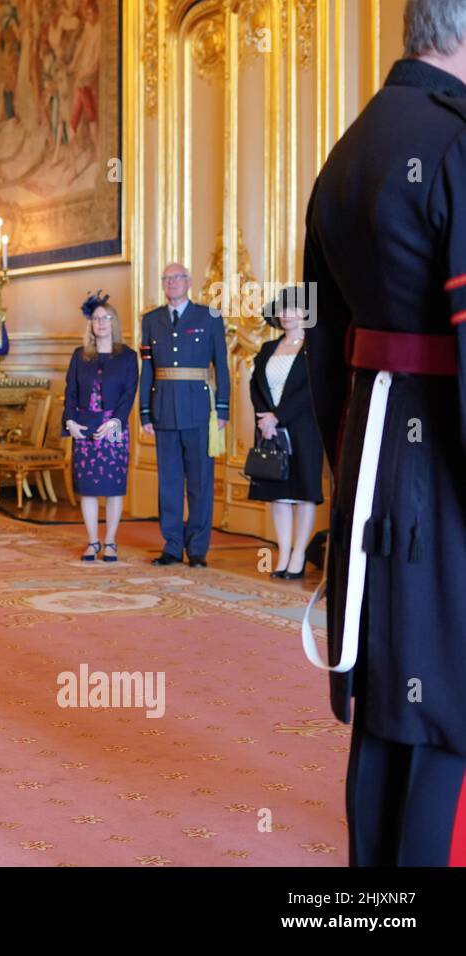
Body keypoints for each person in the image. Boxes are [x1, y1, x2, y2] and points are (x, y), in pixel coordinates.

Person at [303, 0, 466, 867]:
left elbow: (324, 350)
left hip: (370, 445)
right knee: (448, 710)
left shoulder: (345, 151)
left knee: (388, 700)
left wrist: (344, 465)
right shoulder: (456, 141)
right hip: (445, 457)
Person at [139, 262, 229, 567]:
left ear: (189, 281)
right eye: (166, 278)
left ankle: (198, 549)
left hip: (200, 410)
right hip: (163, 409)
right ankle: (173, 545)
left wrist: (223, 409)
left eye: (177, 277)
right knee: (169, 482)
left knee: (201, 482)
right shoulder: (150, 320)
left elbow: (222, 366)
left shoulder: (209, 316)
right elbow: (148, 369)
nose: (171, 283)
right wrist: (145, 412)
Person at [248, 286, 323, 579]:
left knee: (303, 492)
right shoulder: (269, 348)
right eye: (281, 309)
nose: (286, 314)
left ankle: (299, 554)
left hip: (304, 427)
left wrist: (279, 416)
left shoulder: (314, 349)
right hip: (271, 431)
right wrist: (265, 419)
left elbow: (311, 391)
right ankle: (283, 552)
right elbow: (255, 384)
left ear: (305, 312)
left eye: (292, 308)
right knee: (278, 494)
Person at [63, 292, 137, 562]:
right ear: (90, 324)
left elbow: (129, 394)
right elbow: (70, 391)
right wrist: (69, 420)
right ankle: (93, 542)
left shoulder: (127, 356)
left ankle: (111, 542)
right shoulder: (80, 355)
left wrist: (115, 421)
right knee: (89, 487)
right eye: (96, 318)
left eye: (106, 318)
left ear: (114, 322)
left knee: (114, 486)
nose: (101, 322)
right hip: (84, 427)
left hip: (114, 428)